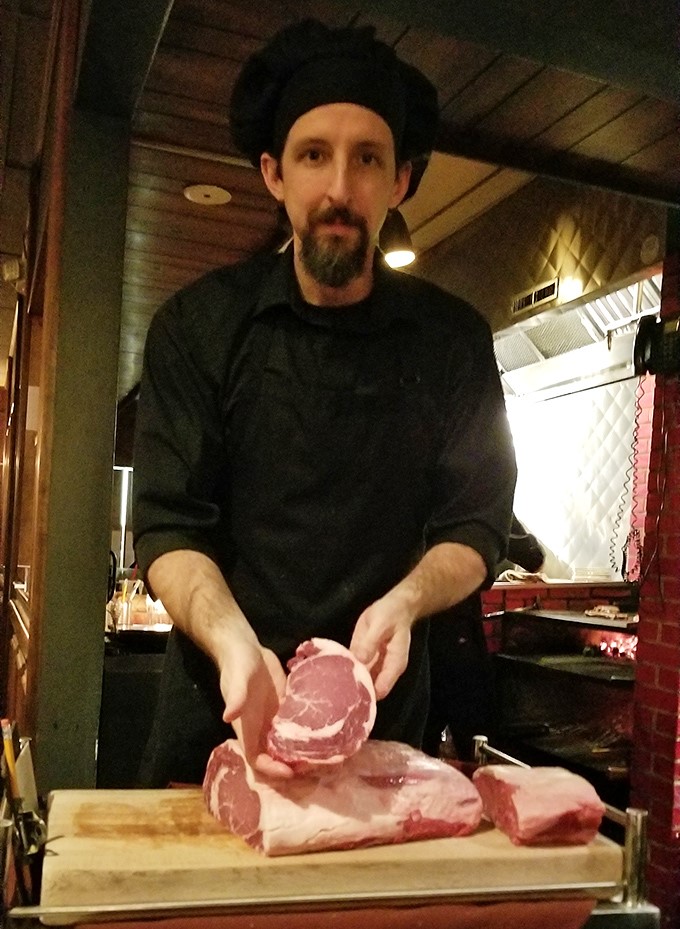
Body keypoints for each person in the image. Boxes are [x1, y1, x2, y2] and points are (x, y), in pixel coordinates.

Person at [132, 18, 517, 787]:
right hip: (221, 731)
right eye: (315, 155)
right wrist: (233, 639)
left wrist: (407, 603)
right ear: (274, 173)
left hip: (381, 740)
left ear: (400, 181)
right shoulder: (198, 326)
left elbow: (477, 521)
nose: (340, 188)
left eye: (368, 158)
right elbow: (169, 526)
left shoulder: (453, 339)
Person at [423, 515, 544, 761]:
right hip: (456, 634)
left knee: (413, 753)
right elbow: (533, 558)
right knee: (478, 743)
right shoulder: (475, 497)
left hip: (411, 639)